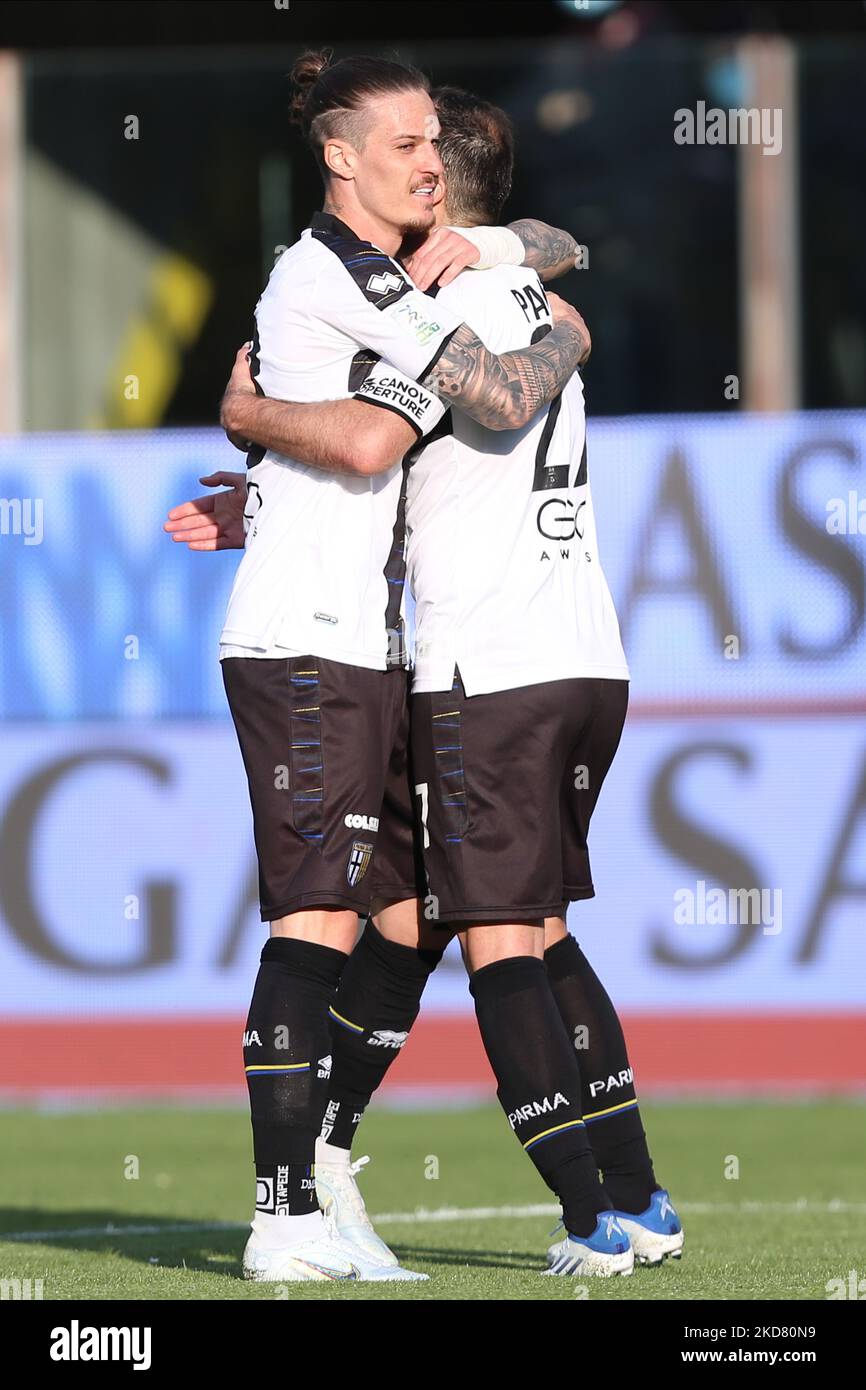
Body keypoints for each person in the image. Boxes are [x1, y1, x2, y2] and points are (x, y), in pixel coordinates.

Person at [167, 81, 683, 1279]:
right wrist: (268, 478)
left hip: (464, 664)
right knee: (409, 918)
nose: (415, 168)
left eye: (423, 150)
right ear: (351, 161)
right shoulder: (426, 277)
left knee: (473, 926)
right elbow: (391, 445)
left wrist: (251, 417)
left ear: (444, 182)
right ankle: (309, 1190)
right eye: (393, 146)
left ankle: (577, 1212)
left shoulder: (434, 291)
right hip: (507, 652)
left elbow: (414, 429)